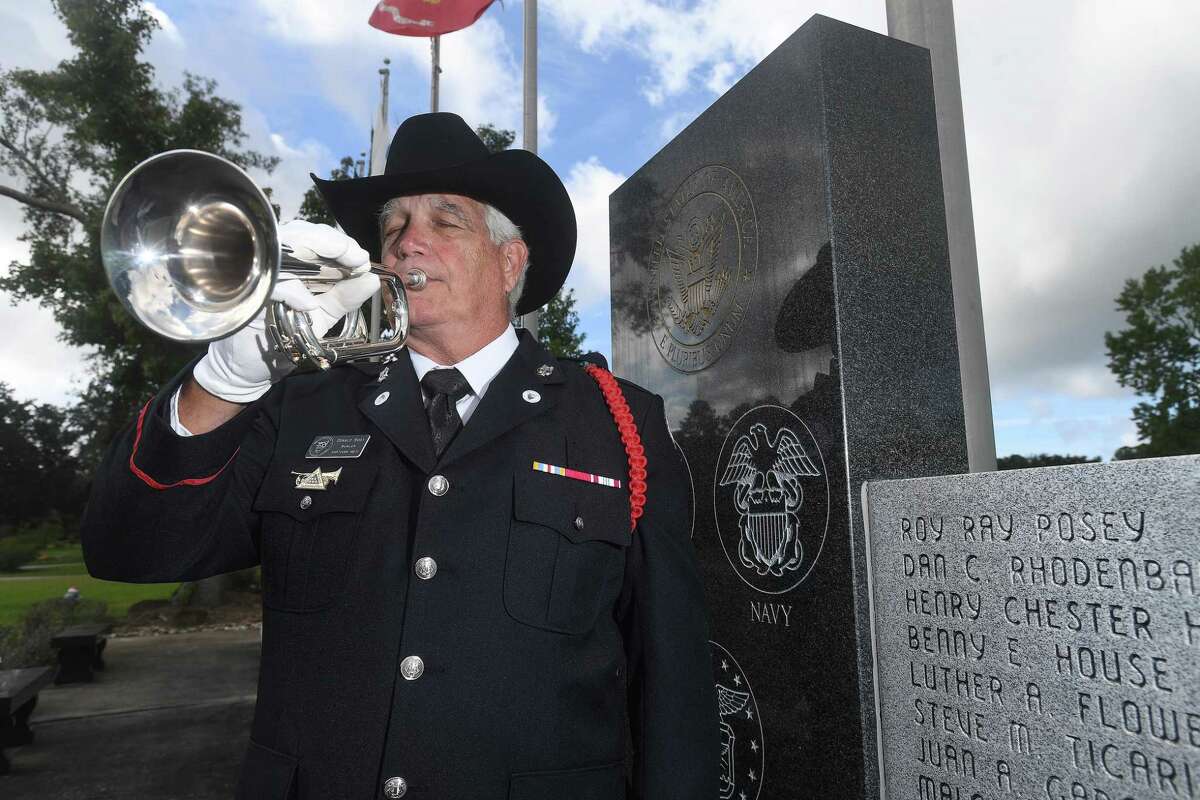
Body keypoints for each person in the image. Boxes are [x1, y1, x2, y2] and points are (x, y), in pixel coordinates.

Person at [81, 112, 719, 800]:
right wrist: (224, 380)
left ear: (510, 262)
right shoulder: (297, 406)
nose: (409, 242)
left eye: (446, 222)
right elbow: (128, 549)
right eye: (393, 228)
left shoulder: (616, 420)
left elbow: (672, 679)